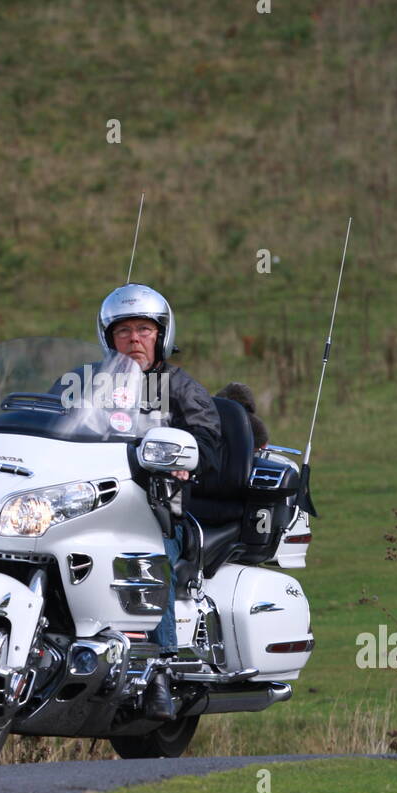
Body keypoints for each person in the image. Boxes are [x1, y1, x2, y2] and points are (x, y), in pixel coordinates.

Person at [98, 285, 223, 720]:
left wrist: (190, 461)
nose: (134, 339)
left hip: (157, 512)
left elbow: (208, 440)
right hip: (92, 504)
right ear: (108, 338)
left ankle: (161, 671)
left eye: (145, 330)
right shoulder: (85, 385)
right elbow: (49, 420)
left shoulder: (180, 387)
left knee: (152, 560)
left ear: (162, 336)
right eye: (124, 330)